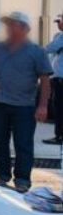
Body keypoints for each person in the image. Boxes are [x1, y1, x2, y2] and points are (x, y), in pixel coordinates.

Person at [0, 11, 52, 192]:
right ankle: (2, 175)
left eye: (14, 25)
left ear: (25, 29)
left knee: (23, 143)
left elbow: (45, 80)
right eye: (8, 25)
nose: (10, 28)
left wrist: (43, 105)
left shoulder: (37, 51)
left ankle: (22, 179)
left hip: (24, 106)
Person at [47, 14, 63, 146]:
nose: (58, 24)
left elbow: (48, 48)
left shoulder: (61, 38)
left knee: (59, 108)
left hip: (61, 80)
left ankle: (59, 136)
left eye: (60, 21)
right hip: (58, 78)